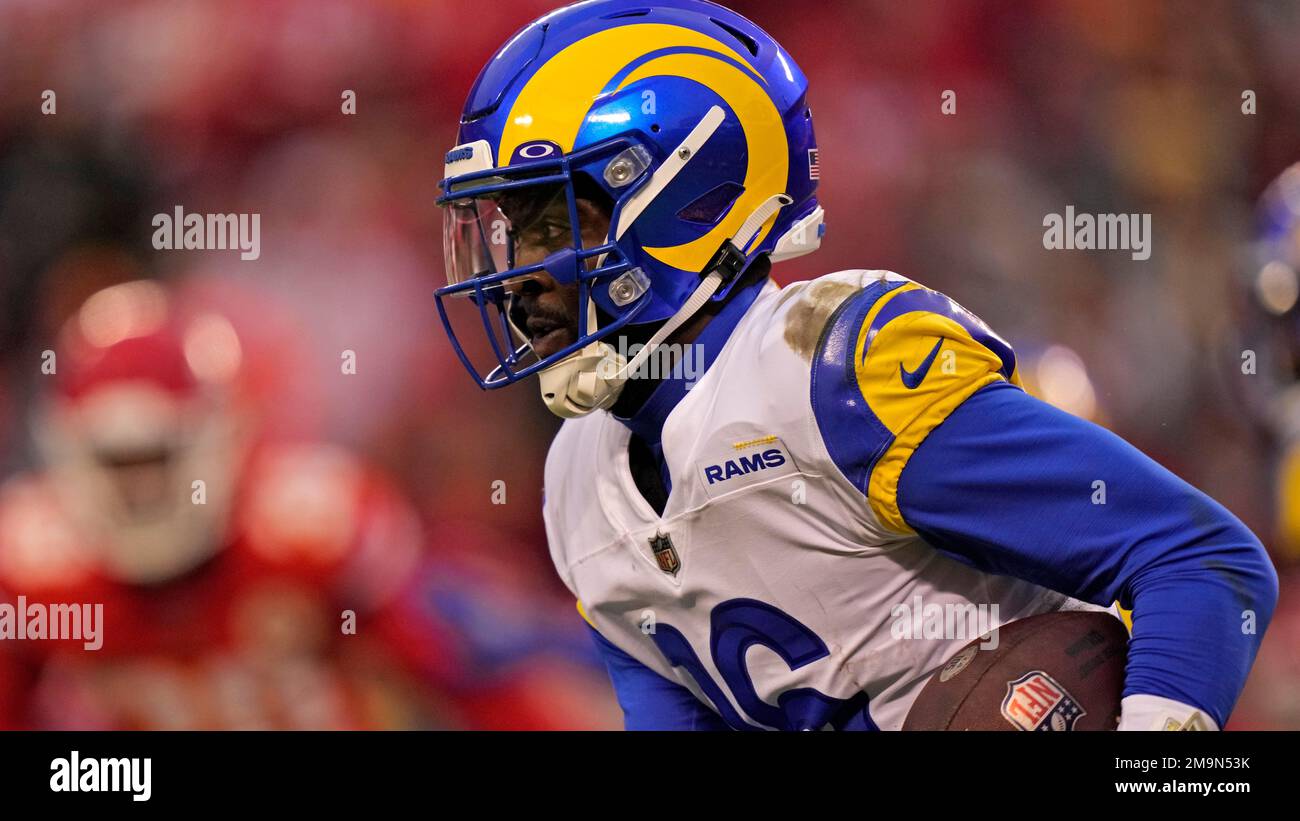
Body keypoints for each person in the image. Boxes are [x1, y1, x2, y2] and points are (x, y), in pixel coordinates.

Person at [433, 0, 1277, 731]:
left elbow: (1203, 564)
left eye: (549, 224)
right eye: (508, 230)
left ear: (678, 199)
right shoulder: (577, 487)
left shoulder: (831, 371)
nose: (517, 276)